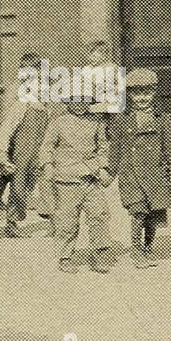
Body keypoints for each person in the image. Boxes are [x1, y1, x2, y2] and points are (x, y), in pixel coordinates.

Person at [108, 68, 171, 268]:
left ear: (154, 92)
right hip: (131, 174)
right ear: (129, 94)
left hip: (156, 174)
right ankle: (136, 250)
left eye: (147, 92)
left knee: (153, 214)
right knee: (138, 211)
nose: (142, 98)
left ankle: (147, 246)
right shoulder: (122, 120)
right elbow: (115, 149)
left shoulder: (162, 119)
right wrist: (109, 173)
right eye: (137, 93)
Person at [39, 86, 112, 274]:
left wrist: (102, 167)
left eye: (84, 99)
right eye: (75, 99)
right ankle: (65, 256)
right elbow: (46, 147)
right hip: (66, 180)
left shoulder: (96, 122)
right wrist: (47, 165)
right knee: (67, 221)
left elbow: (103, 148)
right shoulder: (58, 122)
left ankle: (98, 254)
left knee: (99, 215)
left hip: (91, 178)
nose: (80, 104)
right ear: (67, 101)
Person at [0, 52, 52, 236]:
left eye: (41, 81)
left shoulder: (46, 108)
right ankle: (11, 222)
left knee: (33, 183)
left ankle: (50, 218)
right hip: (20, 151)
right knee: (18, 183)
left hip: (38, 152)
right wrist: (1, 151)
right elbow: (6, 130)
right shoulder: (21, 105)